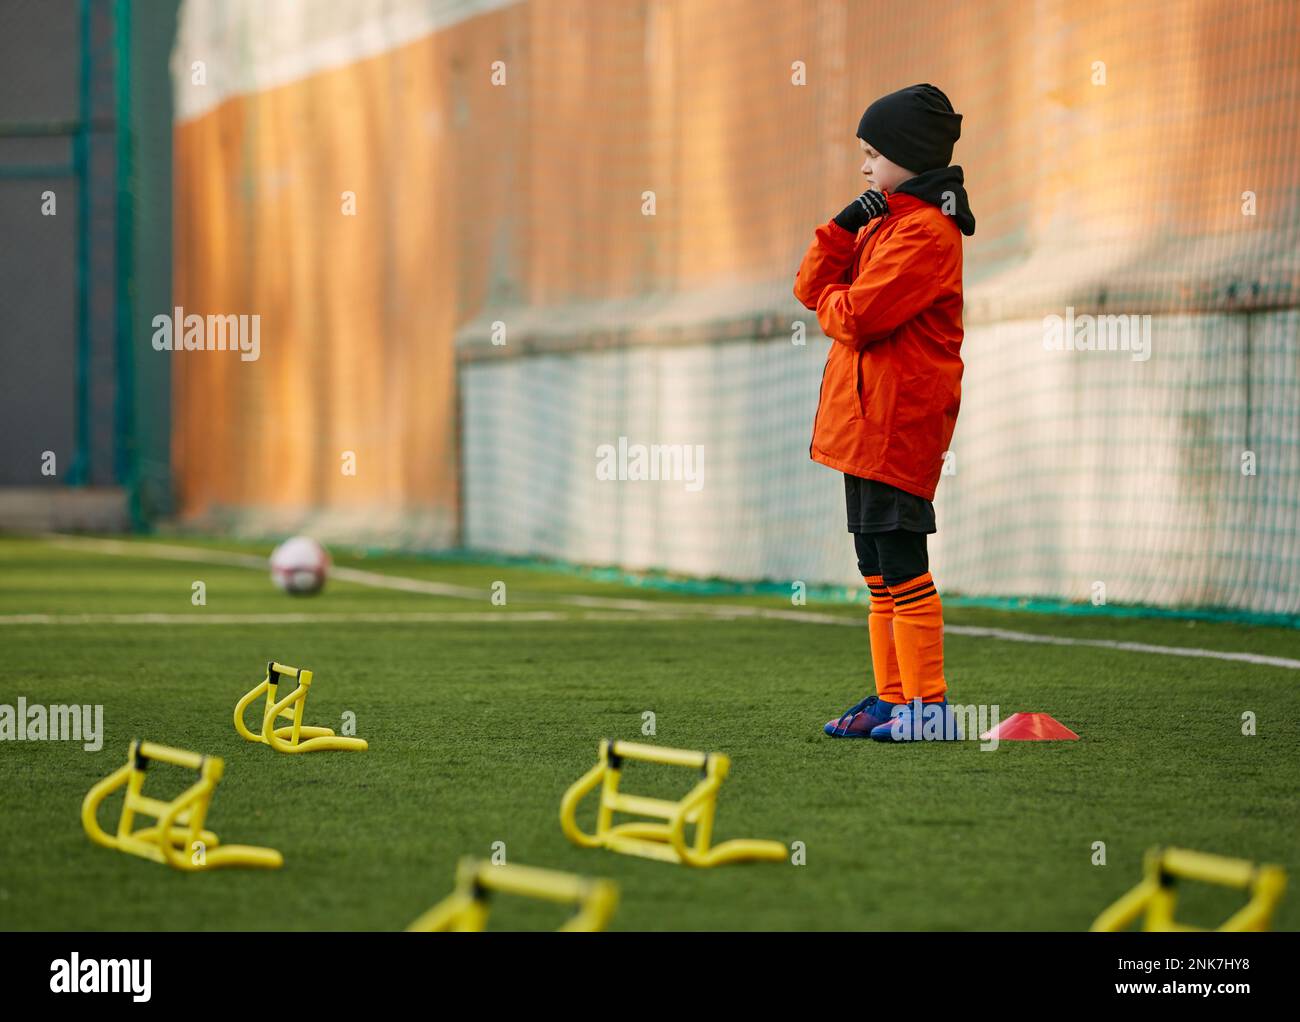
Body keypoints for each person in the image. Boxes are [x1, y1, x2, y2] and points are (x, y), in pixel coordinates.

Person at [792, 84, 976, 742]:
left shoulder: (927, 232)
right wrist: (843, 226)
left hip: (898, 426)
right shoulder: (881, 221)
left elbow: (856, 316)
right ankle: (893, 699)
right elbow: (811, 287)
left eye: (874, 153)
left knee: (902, 565)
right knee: (873, 568)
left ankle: (929, 708)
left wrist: (835, 303)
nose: (865, 166)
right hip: (861, 428)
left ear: (909, 155)